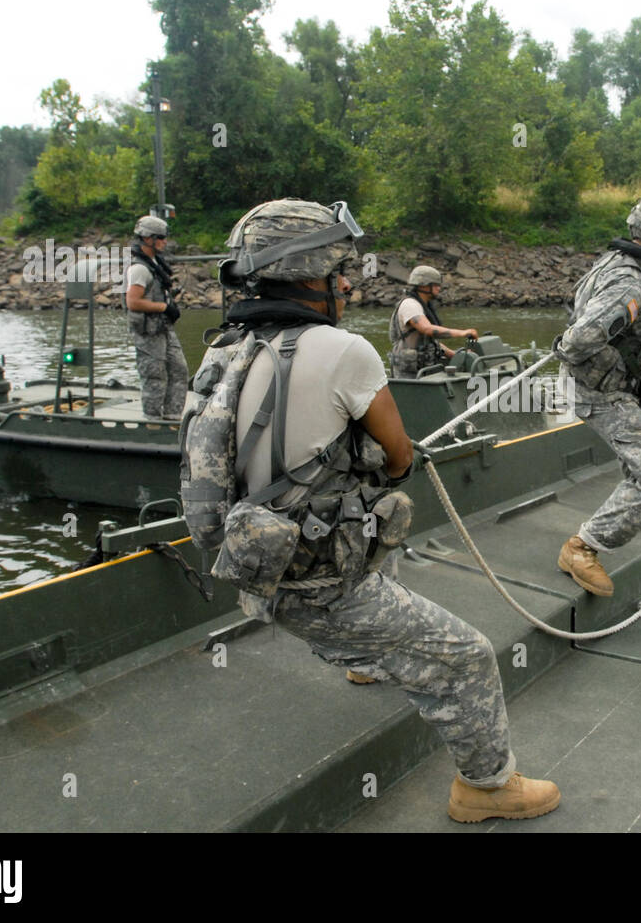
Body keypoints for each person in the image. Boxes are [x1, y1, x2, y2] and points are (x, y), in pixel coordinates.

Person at [182, 198, 558, 823]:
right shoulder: (344, 350)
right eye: (337, 269)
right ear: (306, 274)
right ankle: (487, 787)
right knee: (470, 656)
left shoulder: (224, 349)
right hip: (321, 589)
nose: (347, 282)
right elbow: (400, 456)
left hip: (259, 570)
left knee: (382, 550)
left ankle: (363, 660)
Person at [552, 190, 641, 597]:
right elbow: (581, 340)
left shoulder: (621, 260)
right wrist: (563, 348)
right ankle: (582, 547)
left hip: (612, 382)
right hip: (598, 389)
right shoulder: (632, 280)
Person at [124, 215, 188, 420]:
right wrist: (163, 307)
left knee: (179, 370)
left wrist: (169, 303)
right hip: (148, 331)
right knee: (154, 376)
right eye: (160, 237)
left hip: (163, 328)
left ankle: (172, 415)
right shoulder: (140, 269)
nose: (164, 241)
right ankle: (151, 423)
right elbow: (133, 302)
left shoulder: (154, 263)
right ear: (147, 238)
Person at [388, 266, 479, 378]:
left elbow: (430, 341)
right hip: (409, 371)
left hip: (424, 367)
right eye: (435, 285)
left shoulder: (423, 306)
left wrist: (453, 354)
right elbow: (426, 329)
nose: (439, 288)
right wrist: (462, 333)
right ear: (424, 286)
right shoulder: (410, 305)